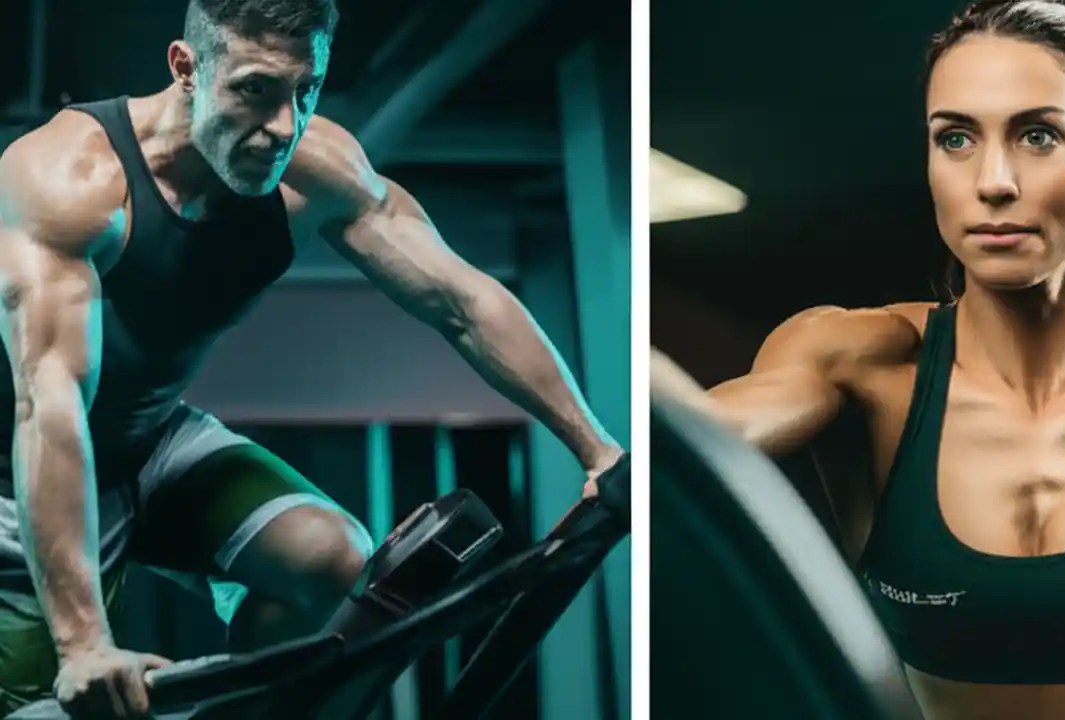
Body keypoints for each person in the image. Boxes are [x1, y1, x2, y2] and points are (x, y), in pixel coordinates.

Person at [653, 1, 1065, 718]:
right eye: (955, 139)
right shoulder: (859, 361)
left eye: (1038, 135)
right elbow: (698, 437)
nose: (993, 181)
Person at [0, 0, 624, 717]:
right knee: (54, 707)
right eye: (256, 90)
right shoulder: (66, 181)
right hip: (21, 469)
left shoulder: (315, 168)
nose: (282, 128)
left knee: (336, 558)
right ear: (185, 67)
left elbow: (461, 301)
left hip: (151, 441)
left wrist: (600, 450)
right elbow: (48, 406)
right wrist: (85, 645)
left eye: (306, 90)